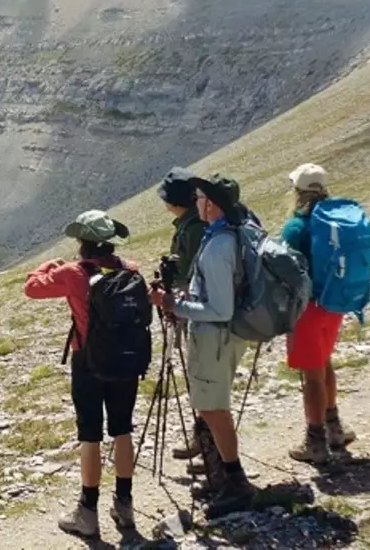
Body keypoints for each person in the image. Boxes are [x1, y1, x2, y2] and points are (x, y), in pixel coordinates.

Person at [25, 210, 141, 539]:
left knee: (90, 435)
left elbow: (32, 288)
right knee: (122, 430)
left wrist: (46, 265)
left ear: (83, 244)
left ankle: (87, 512)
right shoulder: (131, 270)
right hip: (125, 361)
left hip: (88, 363)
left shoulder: (74, 273)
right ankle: (125, 505)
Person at [152, 175, 255, 517]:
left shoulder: (218, 246)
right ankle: (222, 475)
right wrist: (185, 296)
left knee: (213, 409)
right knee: (213, 406)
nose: (195, 202)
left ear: (211, 204)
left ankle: (234, 482)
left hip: (214, 338)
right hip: (224, 336)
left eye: (199, 197)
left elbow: (220, 309)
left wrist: (174, 305)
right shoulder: (227, 235)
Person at [283, 163, 358, 463]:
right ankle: (334, 427)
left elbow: (286, 269)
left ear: (299, 192)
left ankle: (315, 441)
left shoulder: (296, 227)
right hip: (334, 305)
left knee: (311, 375)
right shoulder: (336, 222)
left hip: (308, 309)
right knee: (325, 363)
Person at [155, 167, 211, 463]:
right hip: (199, 307)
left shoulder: (192, 230)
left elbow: (188, 275)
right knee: (200, 374)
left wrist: (172, 297)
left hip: (197, 310)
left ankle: (208, 441)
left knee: (201, 375)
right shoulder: (194, 224)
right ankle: (206, 436)